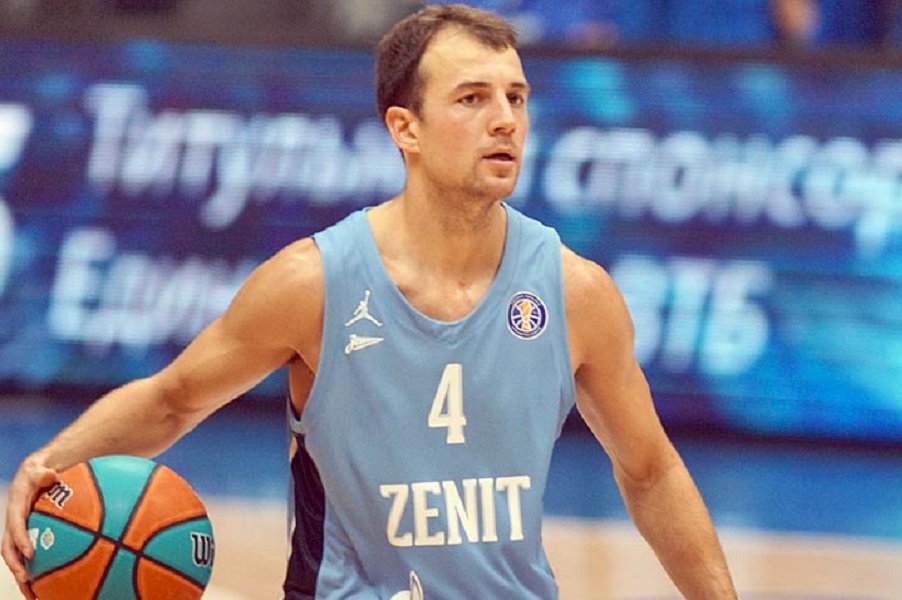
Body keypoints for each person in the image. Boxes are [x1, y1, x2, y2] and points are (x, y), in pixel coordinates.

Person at [2, 4, 737, 598]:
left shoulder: (576, 293)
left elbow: (651, 473)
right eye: (473, 98)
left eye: (516, 97)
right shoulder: (313, 283)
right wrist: (50, 463)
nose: (506, 120)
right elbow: (173, 401)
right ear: (404, 128)